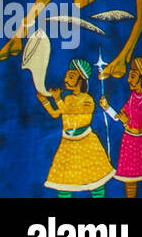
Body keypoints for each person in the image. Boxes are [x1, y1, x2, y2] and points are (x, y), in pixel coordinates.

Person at [38, 59, 115, 197]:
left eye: (71, 76)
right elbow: (56, 114)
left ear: (81, 80)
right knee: (63, 183)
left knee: (95, 181)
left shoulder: (87, 100)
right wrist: (45, 101)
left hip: (86, 143)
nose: (66, 79)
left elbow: (80, 120)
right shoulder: (67, 99)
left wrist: (57, 99)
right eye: (67, 76)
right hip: (67, 144)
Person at [100, 56, 142, 197]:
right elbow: (119, 116)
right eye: (129, 75)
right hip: (130, 146)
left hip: (138, 145)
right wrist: (107, 108)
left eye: (133, 76)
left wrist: (125, 123)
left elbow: (138, 129)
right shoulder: (132, 97)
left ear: (141, 78)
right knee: (130, 180)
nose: (129, 80)